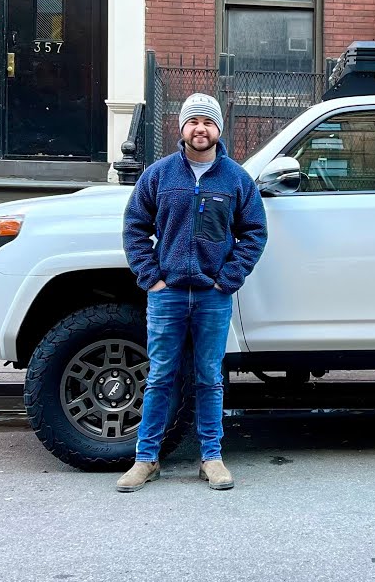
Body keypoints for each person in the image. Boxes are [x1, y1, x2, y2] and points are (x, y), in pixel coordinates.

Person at [116, 93, 268, 492]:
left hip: (212, 296)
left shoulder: (236, 179)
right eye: (193, 121)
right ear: (182, 127)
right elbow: (134, 227)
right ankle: (146, 460)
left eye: (208, 122)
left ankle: (211, 458)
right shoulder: (159, 175)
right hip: (166, 294)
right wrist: (151, 277)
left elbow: (254, 233)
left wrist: (227, 279)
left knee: (210, 378)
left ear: (218, 129)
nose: (201, 129)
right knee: (160, 377)